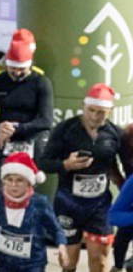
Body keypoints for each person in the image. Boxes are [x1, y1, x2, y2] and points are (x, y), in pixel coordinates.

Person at [38, 83, 124, 272]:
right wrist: (65, 165)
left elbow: (124, 168)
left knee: (99, 261)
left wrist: (123, 186)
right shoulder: (65, 129)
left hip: (99, 205)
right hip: (68, 203)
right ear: (83, 106)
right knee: (69, 261)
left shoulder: (116, 134)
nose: (94, 116)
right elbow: (43, 163)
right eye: (91, 110)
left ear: (110, 111)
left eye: (101, 112)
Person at [0, 152, 66, 272]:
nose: (14, 185)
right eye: (10, 180)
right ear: (4, 181)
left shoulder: (39, 203)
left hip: (33, 263)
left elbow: (56, 229)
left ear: (28, 183)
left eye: (20, 180)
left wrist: (61, 245)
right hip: (4, 263)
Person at [0, 40, 54, 181]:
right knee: (1, 182)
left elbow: (46, 120)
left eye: (21, 70)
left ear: (30, 66)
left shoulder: (41, 82)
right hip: (5, 137)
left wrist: (16, 128)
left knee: (27, 183)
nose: (17, 73)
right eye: (12, 69)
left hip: (31, 137)